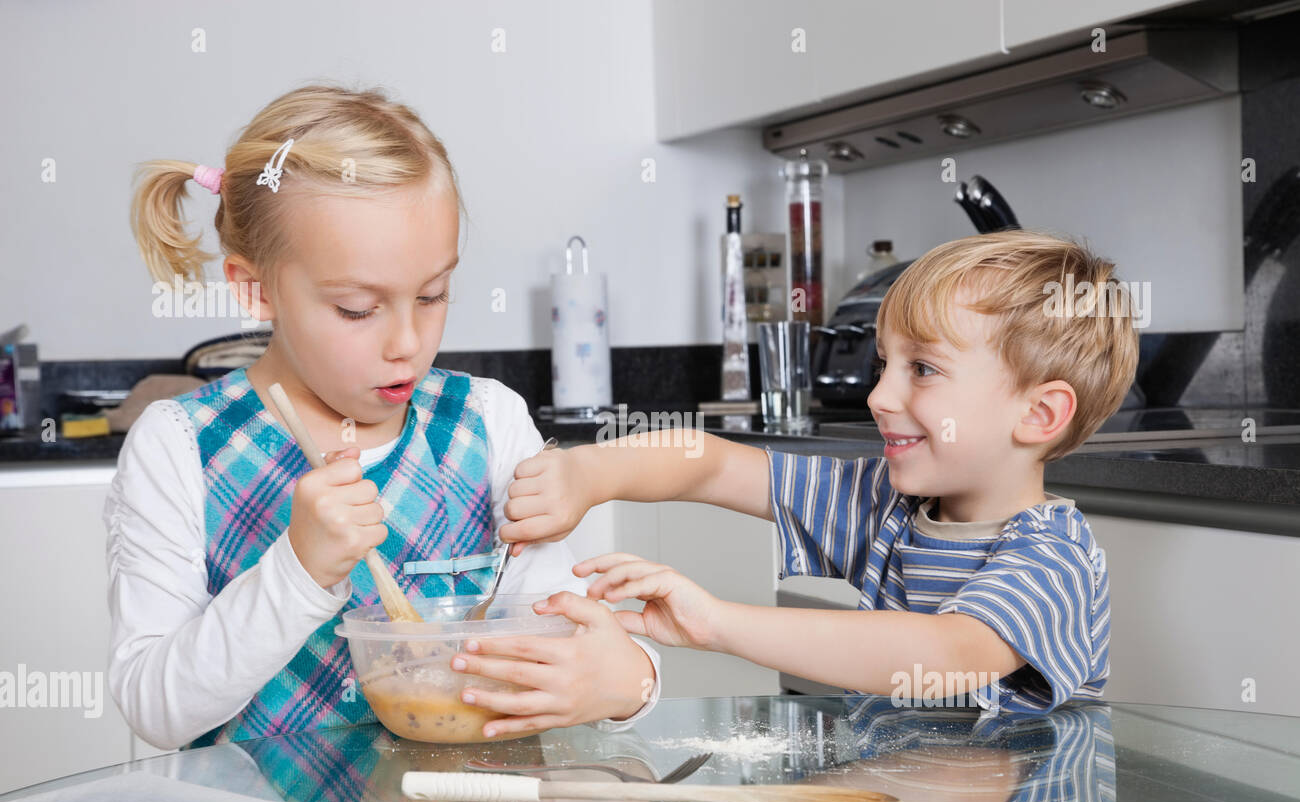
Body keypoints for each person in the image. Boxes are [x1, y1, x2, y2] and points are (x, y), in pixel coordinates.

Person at [109, 84, 659, 752]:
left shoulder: (484, 425)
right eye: (357, 308)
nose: (407, 342)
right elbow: (155, 710)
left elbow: (563, 633)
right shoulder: (181, 448)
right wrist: (299, 571)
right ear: (255, 287)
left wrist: (632, 679)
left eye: (432, 295)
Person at [502, 231, 1142, 714]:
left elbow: (944, 655)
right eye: (882, 365)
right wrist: (588, 472)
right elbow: (712, 465)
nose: (879, 396)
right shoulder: (880, 502)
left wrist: (717, 622)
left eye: (923, 369)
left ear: (1039, 413)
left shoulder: (1053, 557)